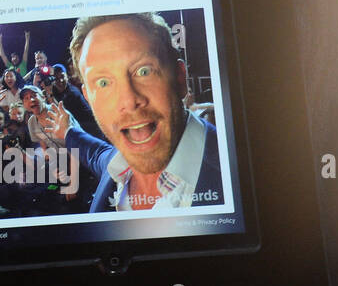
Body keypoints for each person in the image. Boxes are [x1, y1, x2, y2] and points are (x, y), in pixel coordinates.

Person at [39, 13, 223, 213]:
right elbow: (94, 152)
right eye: (103, 83)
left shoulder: (237, 170)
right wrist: (67, 131)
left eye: (144, 71)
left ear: (179, 78)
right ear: (89, 99)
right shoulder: (113, 162)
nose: (128, 101)